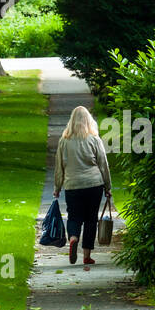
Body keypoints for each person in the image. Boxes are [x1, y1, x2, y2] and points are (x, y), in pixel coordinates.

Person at [53, 105, 112, 267]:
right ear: (88, 121)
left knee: (74, 216)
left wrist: (57, 188)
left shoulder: (64, 141)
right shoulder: (94, 139)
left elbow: (59, 167)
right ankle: (87, 255)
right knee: (91, 219)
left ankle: (73, 238)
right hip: (94, 185)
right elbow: (103, 164)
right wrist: (108, 186)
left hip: (73, 185)